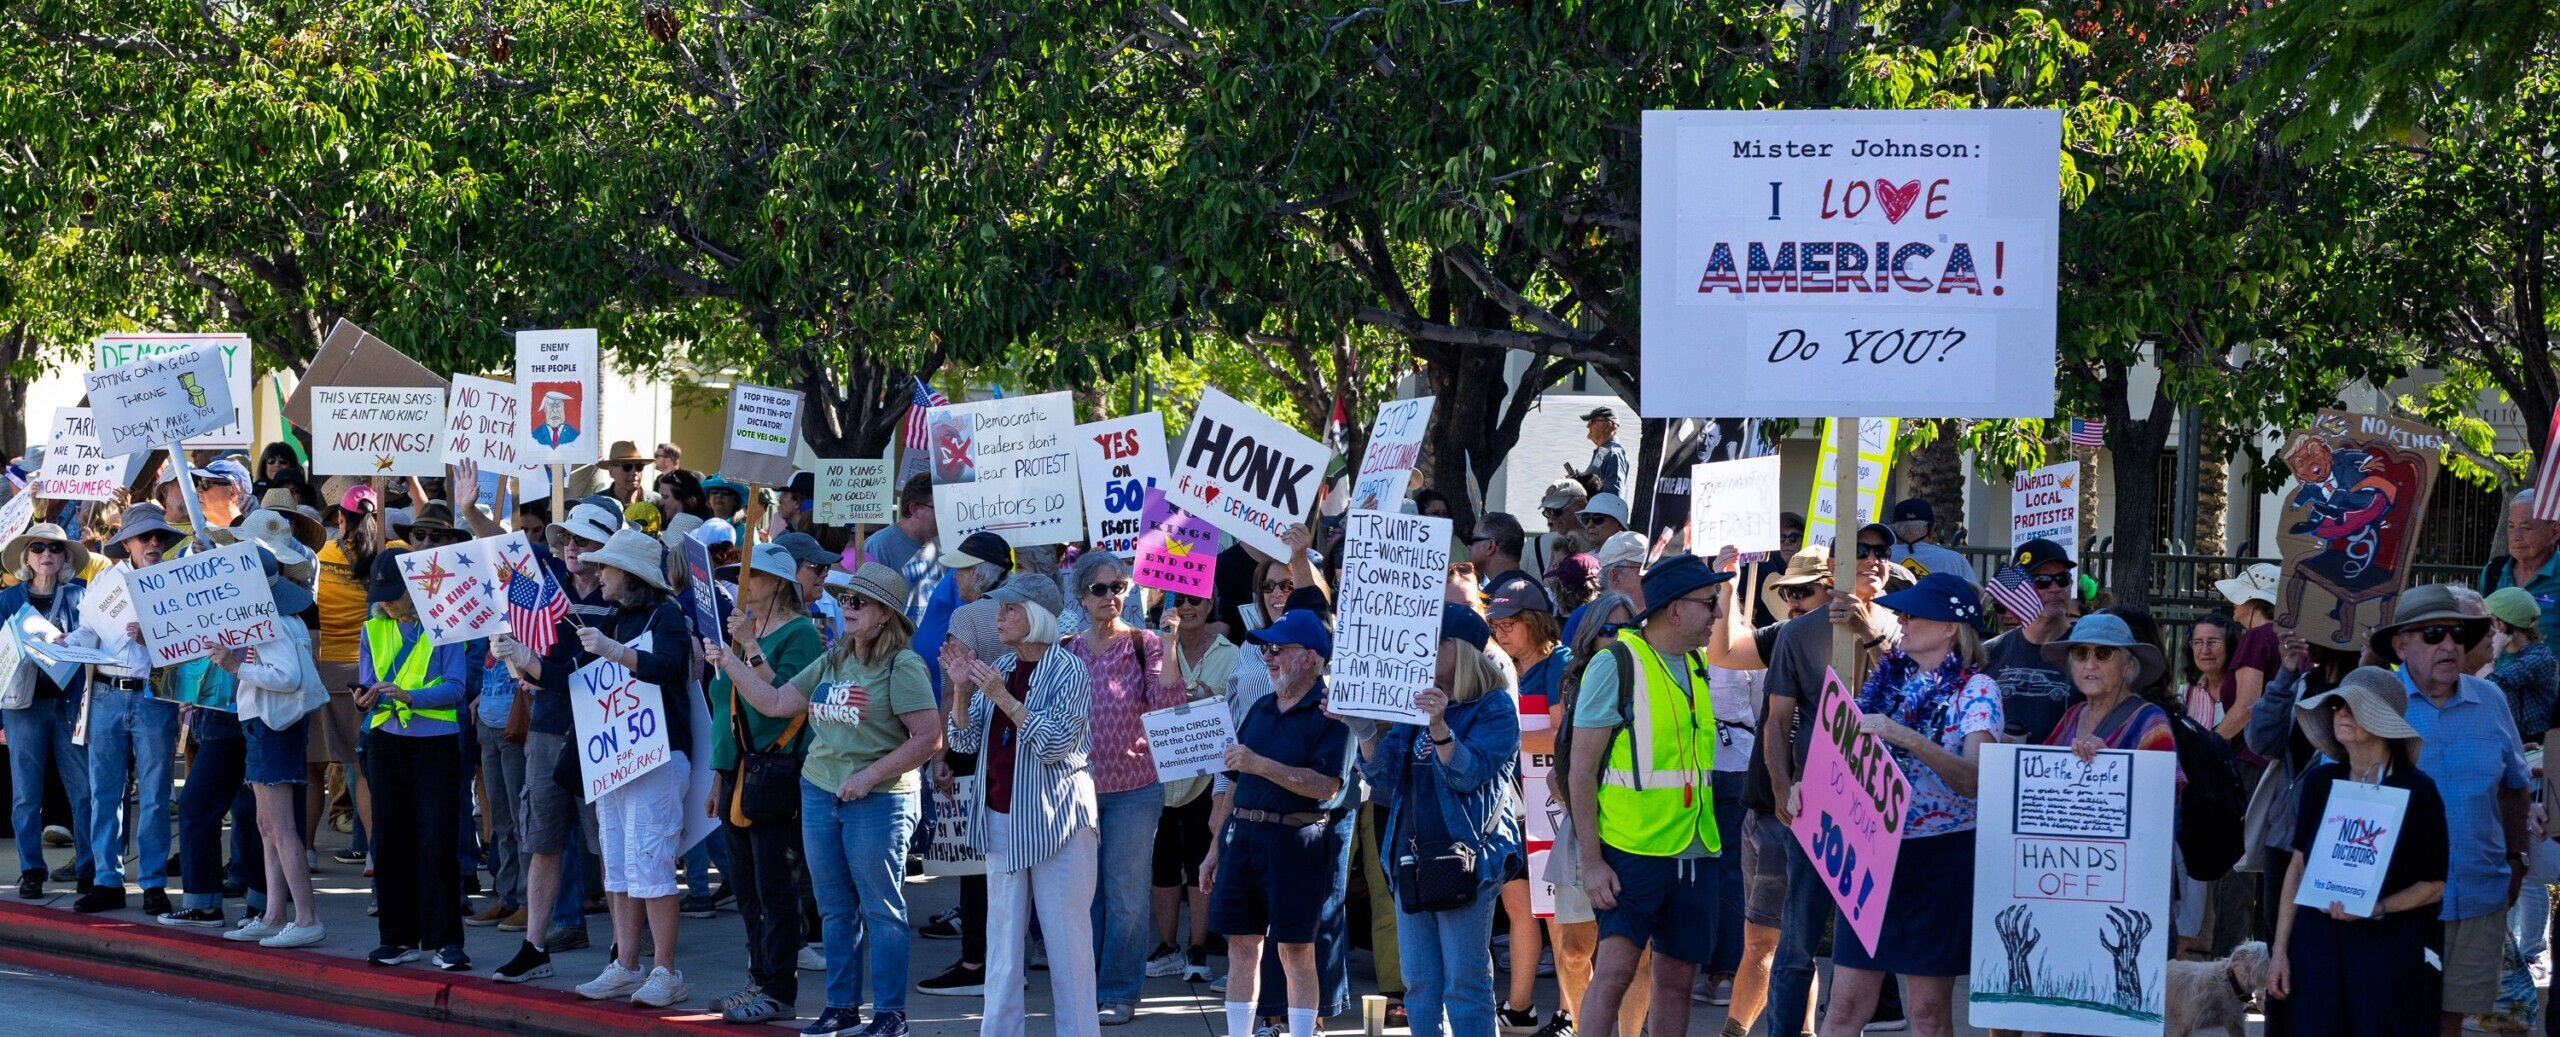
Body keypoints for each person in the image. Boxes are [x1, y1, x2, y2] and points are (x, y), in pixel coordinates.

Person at [707, 562, 937, 1037]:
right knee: (833, 909)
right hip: (819, 792)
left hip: (879, 800)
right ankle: (842, 1008)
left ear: (885, 614)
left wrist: (870, 775)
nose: (846, 608)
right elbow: (775, 701)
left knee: (881, 910)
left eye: (859, 602)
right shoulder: (835, 657)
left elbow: (929, 738)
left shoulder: (903, 664)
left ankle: (890, 1015)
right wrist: (731, 660)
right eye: (846, 600)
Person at [1818, 573, 1999, 1036]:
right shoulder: (1890, 678)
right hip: (1872, 852)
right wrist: (1810, 789)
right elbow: (1849, 762)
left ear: (1949, 628)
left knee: (1927, 1012)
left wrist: (1906, 737)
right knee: (1843, 1007)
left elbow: (1975, 781)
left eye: (1914, 613)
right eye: (1902, 611)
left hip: (1939, 858)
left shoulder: (1977, 691)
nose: (1901, 618)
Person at [1565, 553, 1731, 1037]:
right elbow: (1581, 771)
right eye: (1709, 603)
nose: (1716, 614)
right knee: (1614, 974)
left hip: (1696, 848)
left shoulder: (1697, 663)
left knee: (1677, 981)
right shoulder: (1615, 663)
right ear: (1675, 610)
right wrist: (1591, 862)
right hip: (1631, 850)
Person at [1760, 524, 1909, 1037]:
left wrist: (1871, 634)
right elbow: (1777, 721)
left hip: (1885, 811)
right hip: (1817, 805)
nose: (1873, 559)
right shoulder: (1797, 634)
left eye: (1882, 551)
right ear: (1836, 564)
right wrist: (1782, 786)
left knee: (1866, 944)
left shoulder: (1904, 626)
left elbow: (1920, 699)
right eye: (1861, 550)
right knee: (1798, 941)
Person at [1353, 608, 1523, 1037]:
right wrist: (1365, 733)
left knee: (1465, 985)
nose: (1421, 652)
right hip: (1412, 859)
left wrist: (1440, 728)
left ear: (1460, 650)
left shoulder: (1494, 707)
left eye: (1433, 642)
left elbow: (1469, 775)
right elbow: (1385, 777)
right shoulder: (1419, 704)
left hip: (1465, 861)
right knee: (1420, 985)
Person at [2370, 584, 2530, 1036]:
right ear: (2400, 644)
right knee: (2394, 1016)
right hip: (2398, 900)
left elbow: (2515, 787)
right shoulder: (2377, 703)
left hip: (2478, 892)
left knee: (2449, 1021)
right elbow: (2336, 794)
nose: (2449, 645)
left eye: (2457, 635)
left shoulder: (2491, 701)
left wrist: (2518, 858)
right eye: (2433, 633)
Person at [947, 580, 1102, 1037]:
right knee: (1002, 939)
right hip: (1001, 815)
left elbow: (1055, 744)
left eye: (1009, 609)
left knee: (1067, 943)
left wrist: (1004, 699)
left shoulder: (1071, 670)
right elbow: (963, 739)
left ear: (1036, 616)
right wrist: (960, 691)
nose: (999, 617)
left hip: (1058, 823)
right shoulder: (1000, 665)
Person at [2269, 666, 2449, 1035]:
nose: (2341, 714)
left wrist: (2377, 907)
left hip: (2386, 949)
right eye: (2337, 707)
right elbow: (2298, 867)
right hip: (2316, 944)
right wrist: (2279, 952)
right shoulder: (2320, 782)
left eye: (2354, 707)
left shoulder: (2419, 790)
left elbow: (2434, 884)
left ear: (2383, 720)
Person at [564, 527, 701, 1007]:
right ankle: (625, 965)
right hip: (618, 758)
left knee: (652, 863)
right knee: (619, 867)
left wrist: (615, 652)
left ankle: (666, 970)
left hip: (659, 757)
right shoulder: (619, 617)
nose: (598, 572)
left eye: (606, 566)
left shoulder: (668, 614)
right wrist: (521, 660)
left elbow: (668, 668)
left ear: (630, 573)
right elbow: (576, 676)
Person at [1202, 608, 1352, 1037]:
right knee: (1241, 946)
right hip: (1243, 836)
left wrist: (1260, 764)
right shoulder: (1261, 706)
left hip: (1296, 839)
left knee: (1296, 949)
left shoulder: (1330, 713)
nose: (1267, 656)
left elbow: (1326, 786)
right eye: (1266, 649)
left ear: (1309, 657)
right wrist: (1214, 849)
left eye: (1276, 649)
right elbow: (1234, 779)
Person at [698, 543, 825, 1024]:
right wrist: (717, 775)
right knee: (747, 887)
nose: (739, 583)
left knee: (775, 885)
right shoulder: (739, 633)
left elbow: (782, 698)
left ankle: (778, 988)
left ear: (776, 583)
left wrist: (749, 646)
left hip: (775, 772)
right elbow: (723, 712)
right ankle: (758, 978)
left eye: (749, 576)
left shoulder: (800, 635)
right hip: (738, 773)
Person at [1057, 550, 1181, 1024]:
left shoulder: (1144, 643)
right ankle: (1085, 987)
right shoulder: (1067, 649)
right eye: (1100, 589)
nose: (1111, 597)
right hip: (1078, 787)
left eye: (1118, 587)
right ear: (1082, 596)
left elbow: (1167, 702)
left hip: (1134, 787)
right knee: (1084, 895)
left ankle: (1119, 991)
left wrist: (1169, 646)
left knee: (1126, 893)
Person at [353, 548, 474, 970]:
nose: (385, 601)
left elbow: (457, 688)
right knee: (389, 841)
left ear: (416, 590)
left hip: (436, 743)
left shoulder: (446, 627)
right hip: (386, 741)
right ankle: (396, 937)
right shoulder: (372, 629)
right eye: (380, 593)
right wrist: (363, 698)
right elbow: (368, 684)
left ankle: (445, 941)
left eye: (393, 593)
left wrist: (411, 697)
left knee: (437, 841)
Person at [1543, 591, 1650, 1037]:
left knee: (1636, 956)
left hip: (1639, 829)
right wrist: (1578, 806)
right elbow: (1561, 768)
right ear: (1591, 638)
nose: (1621, 638)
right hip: (1584, 830)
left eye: (1630, 629)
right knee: (1573, 949)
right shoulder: (1578, 682)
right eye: (1610, 630)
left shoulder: (1650, 680)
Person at [216, 547, 331, 949]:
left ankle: (305, 917)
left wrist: (236, 667)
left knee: (280, 828)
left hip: (272, 727)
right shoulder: (279, 620)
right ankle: (275, 914)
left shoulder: (276, 624)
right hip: (266, 725)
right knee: (269, 828)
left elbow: (287, 676)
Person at [74, 506, 185, 914]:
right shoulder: (106, 580)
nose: (153, 544)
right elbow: (90, 627)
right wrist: (72, 640)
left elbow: (189, 641)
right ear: (129, 544)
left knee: (155, 794)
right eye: (145, 538)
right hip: (105, 691)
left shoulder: (174, 582)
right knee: (104, 791)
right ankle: (107, 878)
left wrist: (155, 636)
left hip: (154, 695)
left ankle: (153, 882)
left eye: (159, 537)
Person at [1486, 578, 1565, 1032]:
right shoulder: (1500, 667)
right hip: (1511, 805)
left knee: (1558, 917)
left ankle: (1571, 1012)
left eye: (1510, 623)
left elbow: (1562, 735)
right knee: (1519, 909)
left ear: (1536, 622)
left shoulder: (1560, 663)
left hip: (1551, 807)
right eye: (1496, 624)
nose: (1502, 632)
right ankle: (1519, 1009)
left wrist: (1503, 738)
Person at [1147, 588, 1235, 984]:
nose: (1186, 607)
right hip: (1160, 774)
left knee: (1202, 862)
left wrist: (1212, 700)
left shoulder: (1232, 655)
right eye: (1177, 600)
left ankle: (1198, 948)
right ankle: (1167, 947)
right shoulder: (1151, 648)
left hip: (1208, 777)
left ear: (1210, 605)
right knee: (1162, 864)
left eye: (1195, 600)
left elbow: (1240, 710)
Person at [2, 523, 94, 900]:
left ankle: (89, 868)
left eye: (55, 548)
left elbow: (98, 640)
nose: (46, 554)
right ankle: (32, 870)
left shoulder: (80, 595)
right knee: (26, 793)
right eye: (37, 547)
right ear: (26, 557)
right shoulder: (7, 600)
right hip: (23, 706)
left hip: (70, 703)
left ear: (65, 557)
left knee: (83, 790)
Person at [2039, 612, 2177, 759]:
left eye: (2104, 653)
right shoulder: (2072, 714)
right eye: (2080, 653)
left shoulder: (2151, 723)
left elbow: (2161, 780)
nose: (2090, 665)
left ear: (2127, 666)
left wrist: (2109, 760)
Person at [1982, 537, 2079, 743]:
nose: (2054, 588)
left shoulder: (2089, 651)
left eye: (2062, 578)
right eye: (2041, 581)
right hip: (2000, 769)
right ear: (2019, 589)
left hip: (2067, 770)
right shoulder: (1990, 653)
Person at [2483, 489, 2560, 646]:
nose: (2515, 536)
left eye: (2526, 528)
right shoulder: (2494, 572)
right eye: (2511, 526)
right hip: (2497, 670)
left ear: (2554, 532)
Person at [2485, 586, 2557, 749]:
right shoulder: (2522, 655)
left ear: (2501, 626)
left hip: (2537, 743)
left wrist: (2493, 652)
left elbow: (2488, 686)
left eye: (2489, 622)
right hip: (2520, 738)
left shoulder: (2537, 659)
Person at [863, 474, 942, 621]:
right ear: (914, 509)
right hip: (897, 641)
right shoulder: (880, 545)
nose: (943, 514)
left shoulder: (944, 545)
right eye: (938, 507)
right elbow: (871, 604)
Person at [1883, 498, 1976, 585]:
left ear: (1893, 530)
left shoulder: (1879, 558)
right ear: (1932, 529)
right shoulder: (1955, 561)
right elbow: (1977, 597)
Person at [1527, 479, 1591, 579]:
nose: (1551, 518)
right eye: (1547, 511)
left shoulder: (1598, 539)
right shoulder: (1559, 540)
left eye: (1556, 511)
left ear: (1581, 505)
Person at [1568, 407, 1629, 498]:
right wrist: (1577, 481)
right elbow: (1596, 478)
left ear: (1608, 424)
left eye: (1592, 421)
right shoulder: (1603, 451)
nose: (1588, 426)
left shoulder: (1613, 454)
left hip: (1602, 512)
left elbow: (1613, 499)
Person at [1467, 513, 1535, 592]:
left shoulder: (1497, 594)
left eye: (1472, 540)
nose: (1469, 546)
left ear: (1490, 546)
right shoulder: (1531, 587)